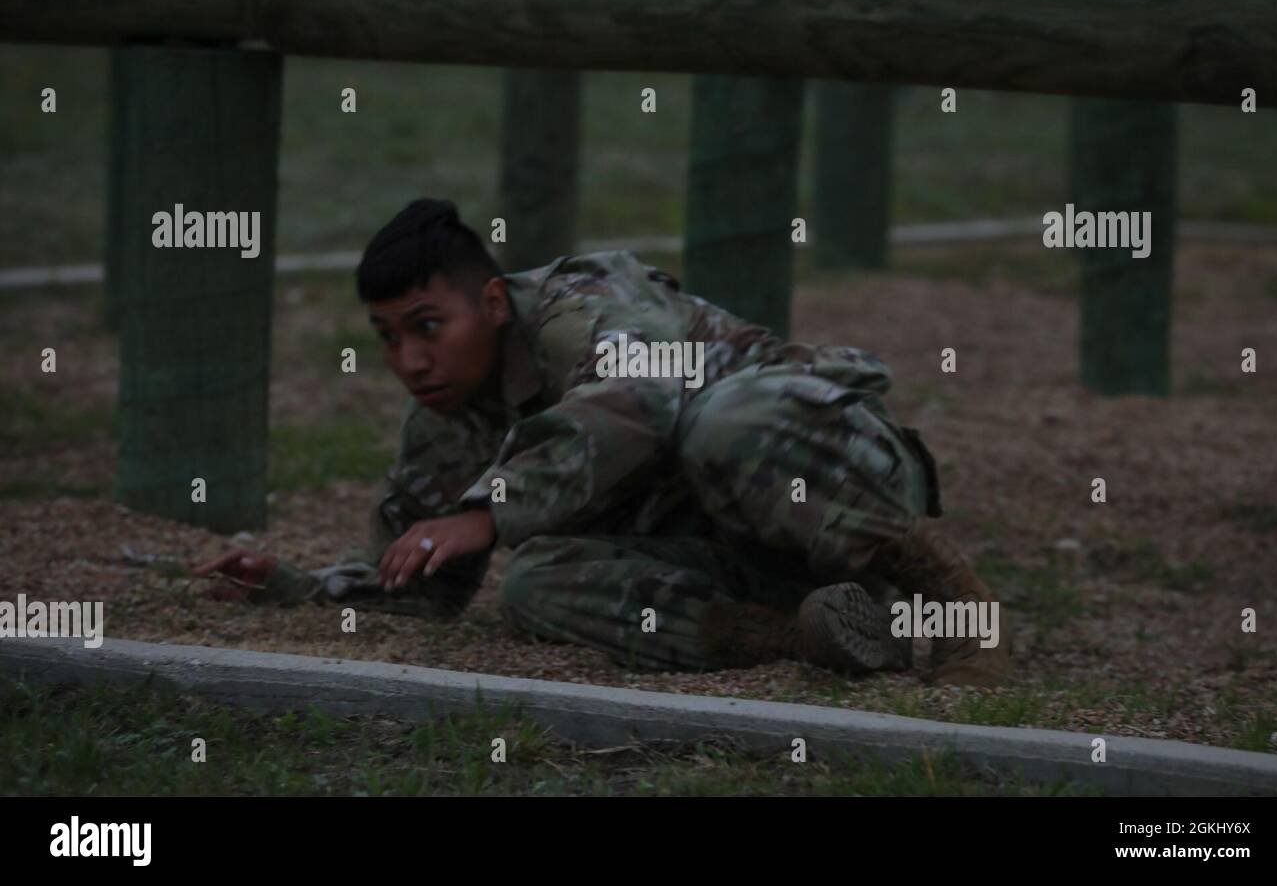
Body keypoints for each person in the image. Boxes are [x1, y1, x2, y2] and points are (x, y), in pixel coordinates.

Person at [197, 198, 1012, 686]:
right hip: (734, 550)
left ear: (489, 301)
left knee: (721, 423)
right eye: (384, 337)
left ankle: (952, 599)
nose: (408, 360)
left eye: (426, 327)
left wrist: (488, 511)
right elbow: (422, 585)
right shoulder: (445, 414)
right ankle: (801, 632)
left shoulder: (583, 302)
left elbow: (639, 400)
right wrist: (300, 590)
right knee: (536, 587)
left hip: (827, 481)